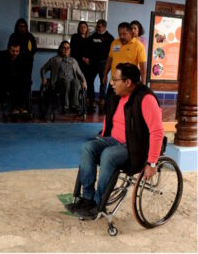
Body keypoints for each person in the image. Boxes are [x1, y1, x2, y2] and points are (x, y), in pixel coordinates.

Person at [67, 63, 163, 218]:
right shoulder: (116, 95)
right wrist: (102, 137)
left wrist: (152, 163)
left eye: (115, 79)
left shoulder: (146, 99)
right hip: (113, 140)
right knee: (88, 147)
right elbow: (108, 120)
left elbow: (157, 132)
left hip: (134, 147)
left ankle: (99, 203)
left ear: (128, 82)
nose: (111, 83)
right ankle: (88, 198)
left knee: (108, 155)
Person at [103, 22, 147, 101]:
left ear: (131, 33)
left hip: (128, 85)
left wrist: (143, 85)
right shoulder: (114, 43)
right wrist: (105, 74)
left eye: (124, 34)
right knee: (109, 108)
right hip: (114, 83)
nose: (121, 36)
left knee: (126, 110)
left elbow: (143, 69)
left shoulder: (139, 46)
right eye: (120, 34)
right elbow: (109, 60)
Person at [39, 41, 87, 113]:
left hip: (72, 83)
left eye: (68, 48)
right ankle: (66, 106)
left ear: (70, 49)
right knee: (66, 81)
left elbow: (80, 74)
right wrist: (44, 78)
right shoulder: (54, 60)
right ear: (60, 49)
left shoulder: (73, 61)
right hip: (59, 83)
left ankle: (75, 106)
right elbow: (43, 69)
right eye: (64, 48)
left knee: (77, 82)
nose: (66, 50)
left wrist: (84, 81)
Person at [7, 19, 37, 113]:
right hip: (15, 64)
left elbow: (34, 49)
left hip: (27, 65)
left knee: (26, 84)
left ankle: (22, 106)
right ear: (17, 26)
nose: (22, 28)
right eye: (20, 26)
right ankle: (15, 107)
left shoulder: (30, 36)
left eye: (24, 26)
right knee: (15, 84)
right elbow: (10, 49)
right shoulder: (13, 36)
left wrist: (28, 56)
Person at [87, 19, 115, 113]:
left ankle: (102, 99)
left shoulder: (110, 38)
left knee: (103, 81)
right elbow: (89, 48)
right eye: (97, 26)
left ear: (104, 27)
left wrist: (109, 63)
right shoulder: (93, 36)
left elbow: (112, 53)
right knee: (89, 80)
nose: (97, 28)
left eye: (99, 26)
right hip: (93, 62)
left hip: (104, 62)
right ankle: (91, 99)